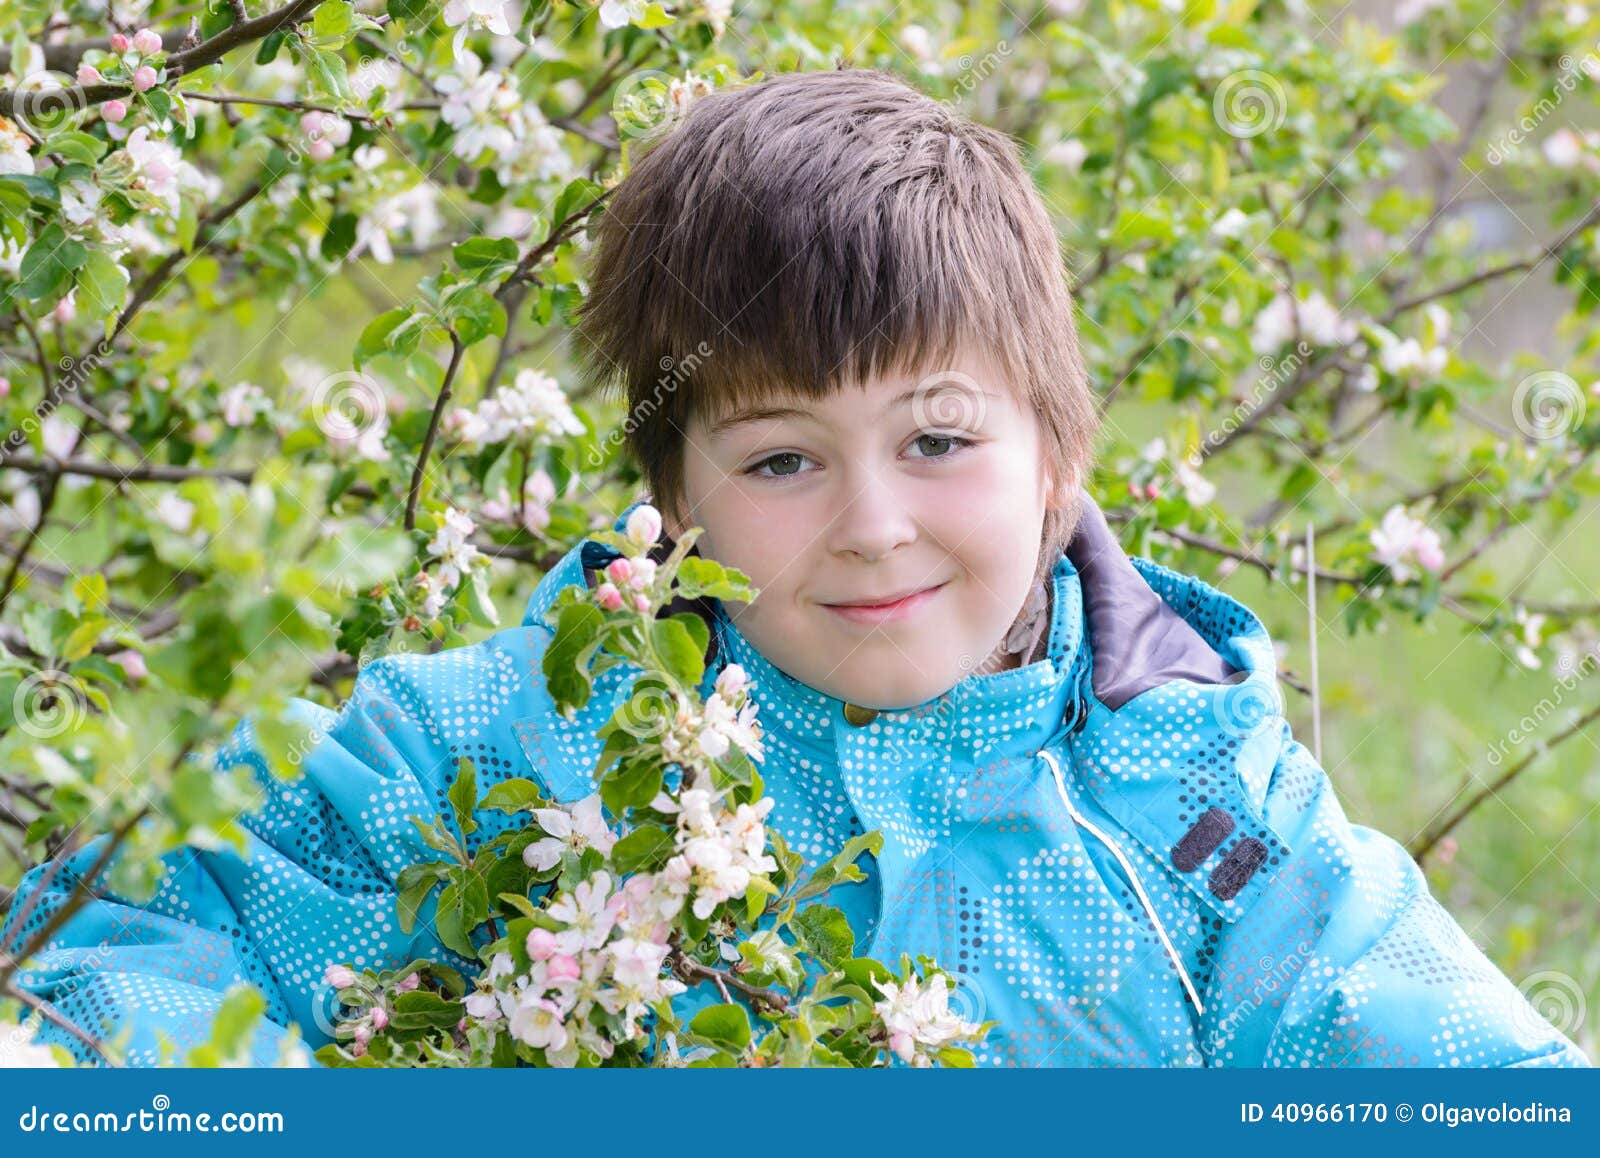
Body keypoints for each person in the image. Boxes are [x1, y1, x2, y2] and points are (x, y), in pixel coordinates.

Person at [2, 69, 1587, 1068]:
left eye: (939, 439)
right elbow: (116, 946)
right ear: (671, 506)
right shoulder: (507, 742)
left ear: (1060, 454)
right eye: (779, 460)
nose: (872, 522)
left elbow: (1477, 1087)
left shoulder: (1200, 809)